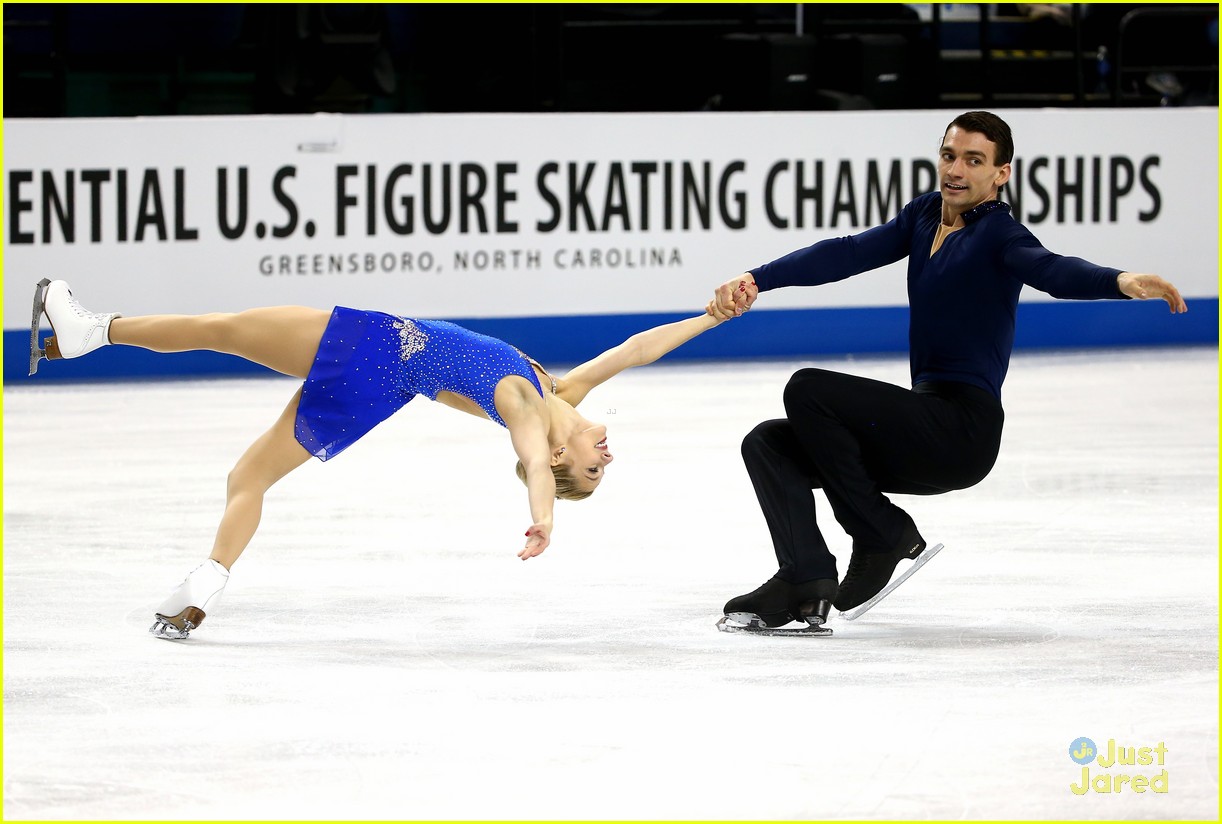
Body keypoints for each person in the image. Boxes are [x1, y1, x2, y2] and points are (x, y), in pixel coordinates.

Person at [707, 111, 1187, 633]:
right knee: (769, 444)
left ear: (1000, 173)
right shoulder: (923, 215)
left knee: (808, 390)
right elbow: (845, 254)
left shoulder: (1001, 236)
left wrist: (1119, 280)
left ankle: (880, 532)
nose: (955, 169)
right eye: (949, 155)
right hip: (920, 426)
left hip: (960, 431)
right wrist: (759, 277)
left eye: (973, 160)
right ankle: (806, 575)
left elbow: (1051, 269)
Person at [30, 279, 726, 639]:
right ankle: (203, 583)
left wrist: (545, 515)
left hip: (375, 346)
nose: (608, 456)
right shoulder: (561, 388)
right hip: (382, 388)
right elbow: (639, 348)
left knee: (223, 329)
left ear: (555, 451)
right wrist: (714, 318)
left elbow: (534, 465)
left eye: (594, 469)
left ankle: (92, 332)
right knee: (248, 477)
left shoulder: (526, 403)